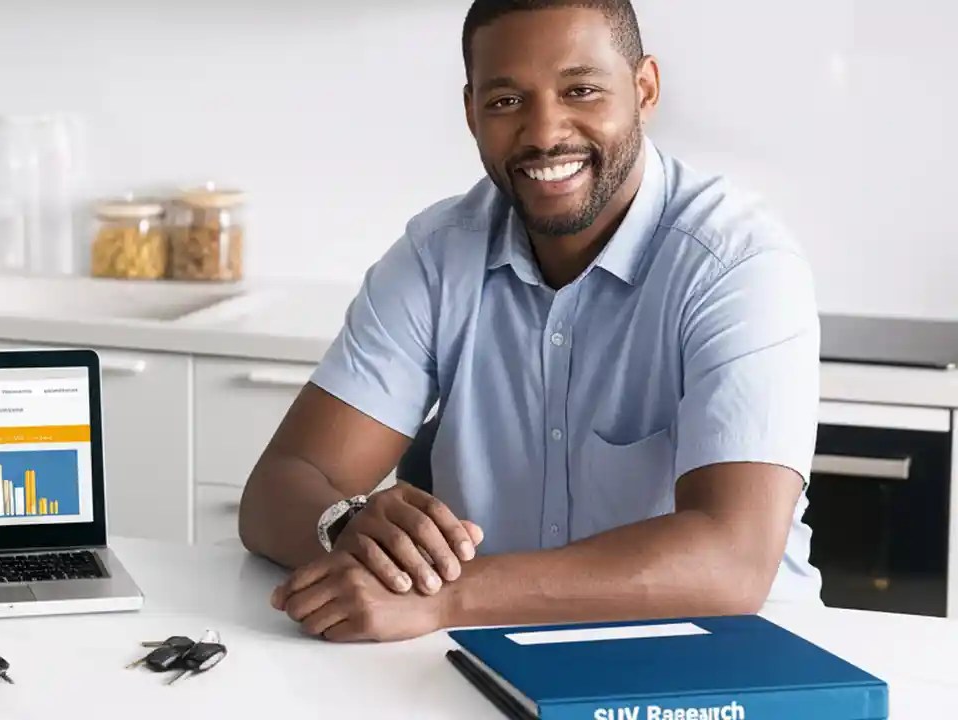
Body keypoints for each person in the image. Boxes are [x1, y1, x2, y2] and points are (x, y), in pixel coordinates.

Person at [238, 0, 822, 643]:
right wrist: (349, 527)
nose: (544, 133)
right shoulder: (438, 257)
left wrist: (449, 599)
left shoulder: (737, 264)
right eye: (507, 101)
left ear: (645, 89)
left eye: (582, 90)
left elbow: (730, 564)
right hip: (493, 654)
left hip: (735, 664)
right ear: (471, 112)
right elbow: (276, 489)